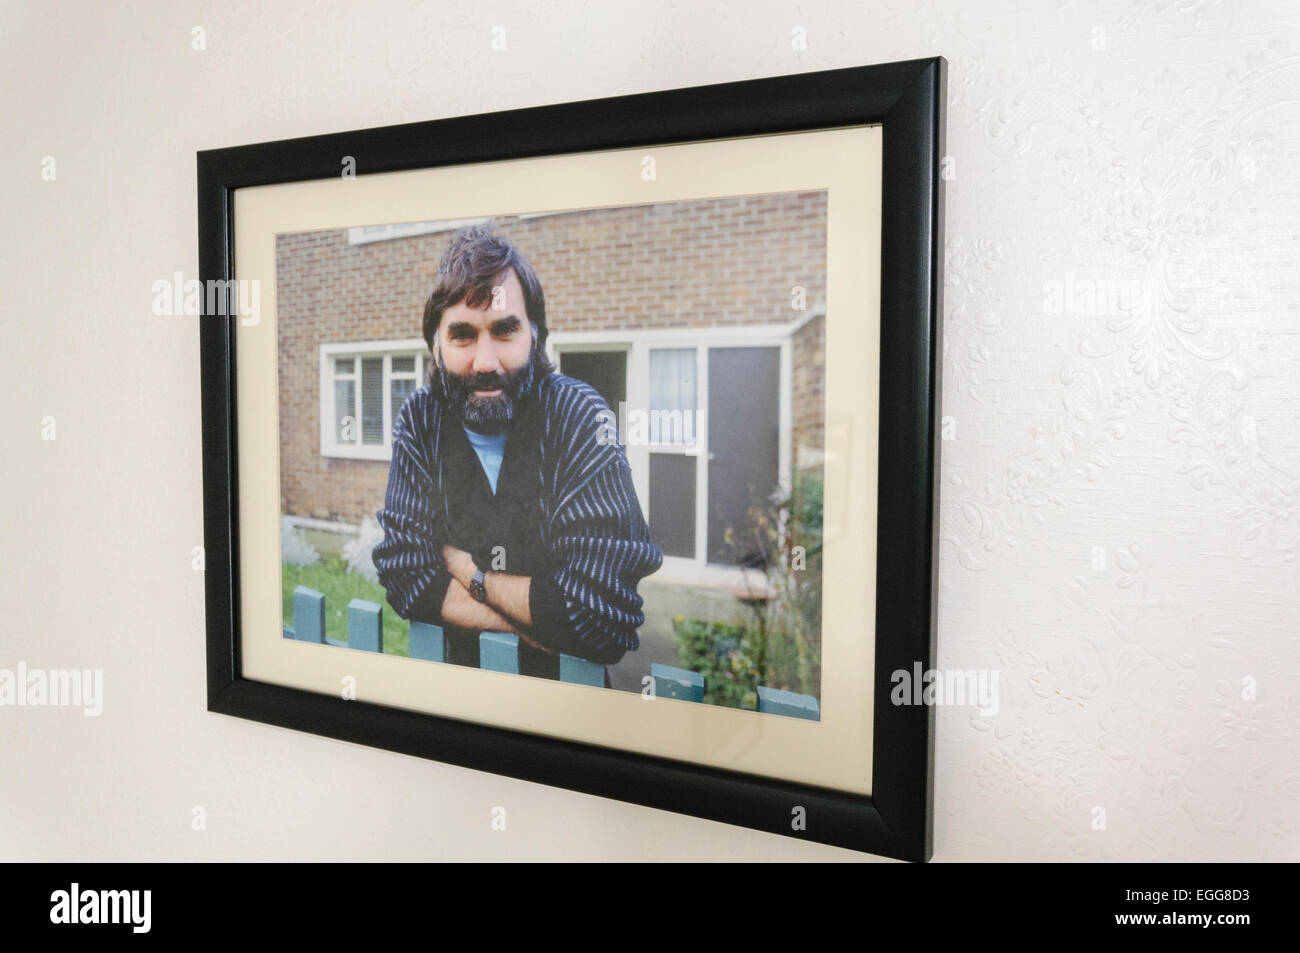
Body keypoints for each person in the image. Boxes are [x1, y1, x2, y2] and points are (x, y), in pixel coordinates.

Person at [372, 222, 662, 684]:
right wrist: (535, 626)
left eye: (505, 330)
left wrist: (468, 570)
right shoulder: (422, 420)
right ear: (435, 346)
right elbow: (406, 576)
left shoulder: (578, 417)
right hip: (459, 701)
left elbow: (602, 616)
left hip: (572, 714)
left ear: (535, 335)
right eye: (463, 335)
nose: (485, 362)